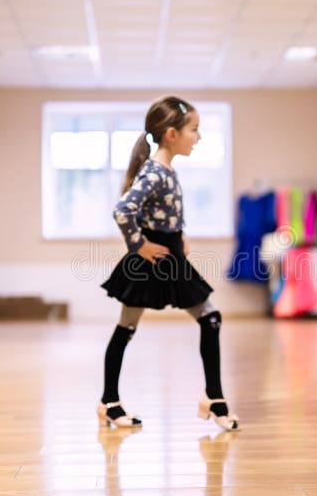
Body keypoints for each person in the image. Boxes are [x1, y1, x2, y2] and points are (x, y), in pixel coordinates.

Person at [97, 96, 239, 431]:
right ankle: (109, 402)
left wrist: (181, 234)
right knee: (127, 327)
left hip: (171, 255)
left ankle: (214, 397)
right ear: (171, 133)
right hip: (151, 260)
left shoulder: (166, 170)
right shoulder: (155, 171)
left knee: (210, 318)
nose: (198, 137)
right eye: (194, 130)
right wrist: (139, 245)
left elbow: (164, 210)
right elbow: (123, 211)